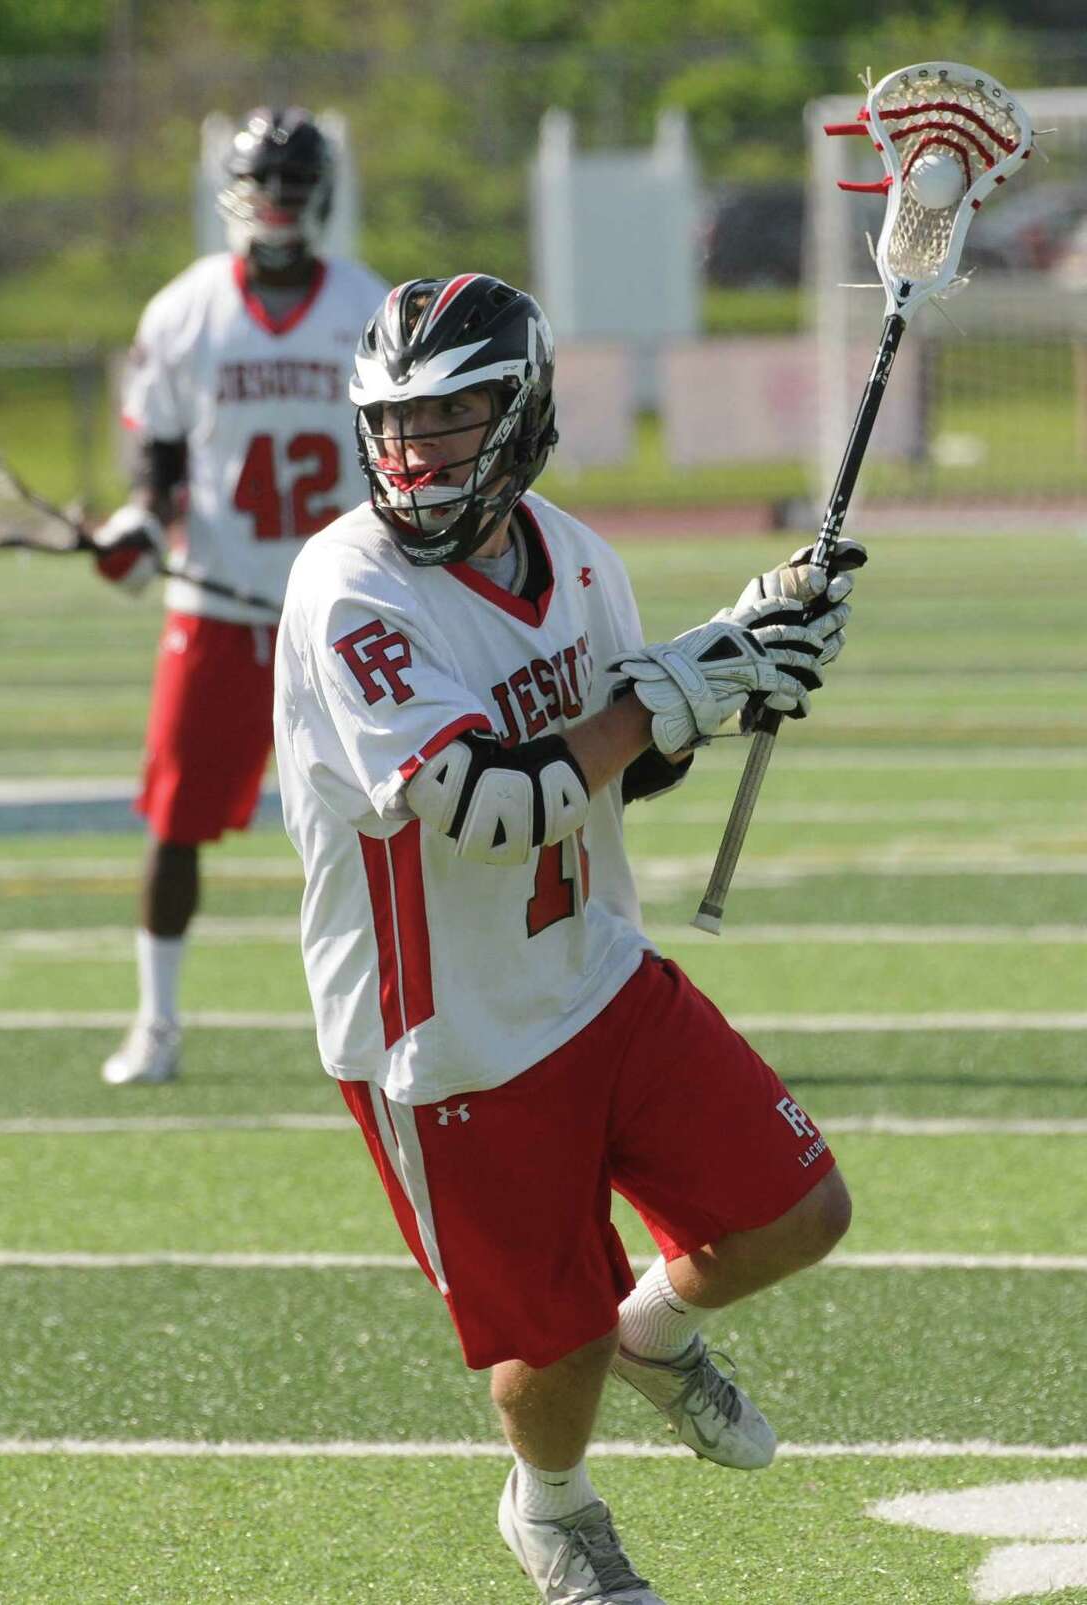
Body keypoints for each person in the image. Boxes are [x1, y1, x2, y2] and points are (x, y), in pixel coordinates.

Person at [273, 273, 863, 1604]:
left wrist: (738, 658)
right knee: (554, 1343)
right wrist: (678, 688)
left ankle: (661, 1337)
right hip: (452, 1031)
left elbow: (615, 769)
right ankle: (551, 1510)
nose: (415, 453)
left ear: (524, 408)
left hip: (595, 969)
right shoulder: (348, 590)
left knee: (799, 1210)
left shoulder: (581, 557)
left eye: (452, 414)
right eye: (394, 422)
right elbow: (484, 804)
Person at [93, 107, 387, 1086]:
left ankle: (404, 1017)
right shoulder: (184, 311)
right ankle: (158, 1022)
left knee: (393, 817)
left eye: (292, 186)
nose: (276, 205)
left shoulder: (368, 307)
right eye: (262, 185)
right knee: (174, 819)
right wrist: (142, 519)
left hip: (341, 609)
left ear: (321, 196)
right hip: (217, 607)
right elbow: (159, 453)